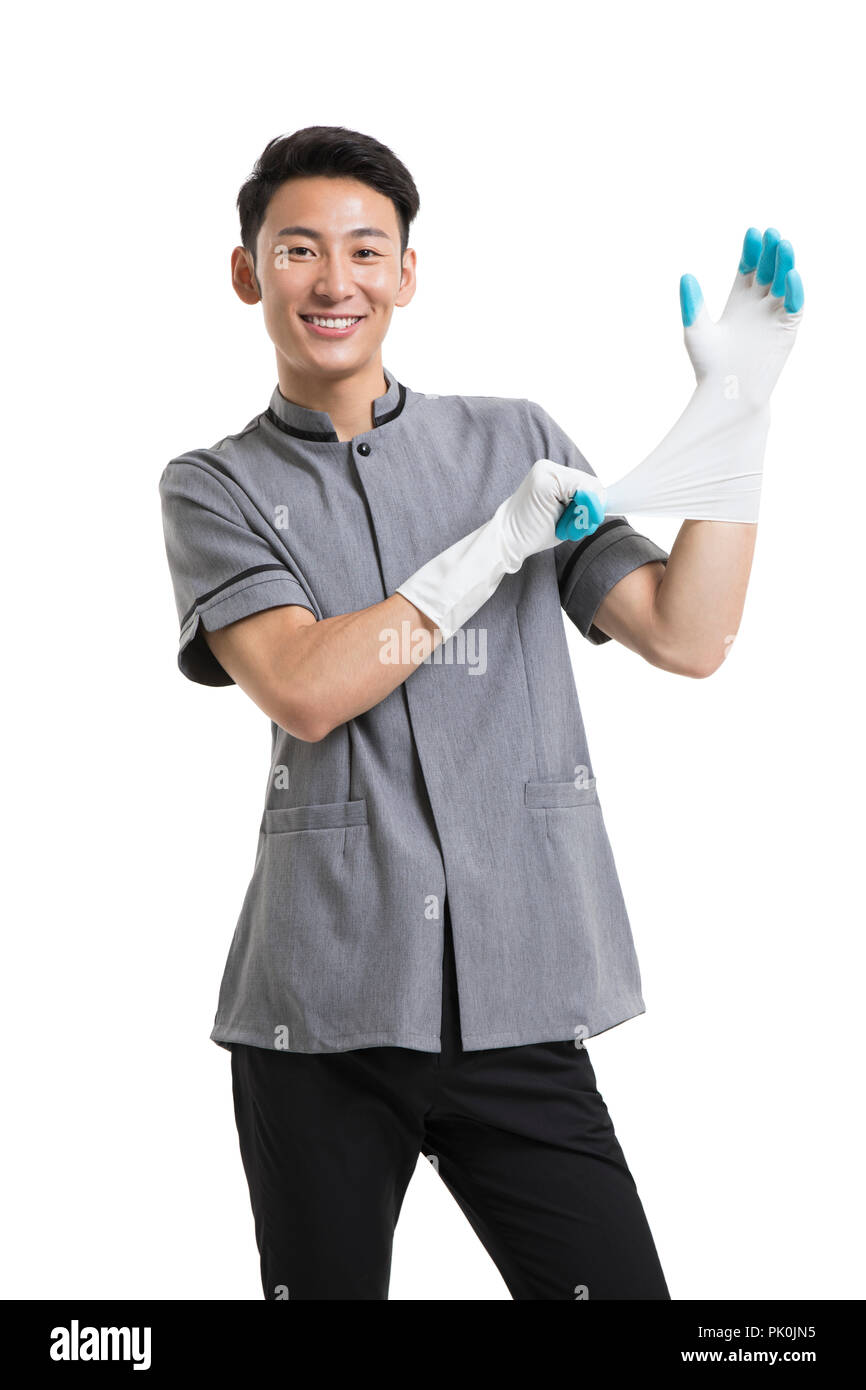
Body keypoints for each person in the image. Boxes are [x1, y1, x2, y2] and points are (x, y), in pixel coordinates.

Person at [159, 125, 792, 1300]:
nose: (332, 280)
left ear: (406, 273)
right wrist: (488, 550)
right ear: (248, 272)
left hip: (515, 990)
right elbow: (301, 687)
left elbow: (686, 633)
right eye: (297, 249)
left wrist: (732, 433)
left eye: (364, 249)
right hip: (320, 1011)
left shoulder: (515, 440)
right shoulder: (215, 484)